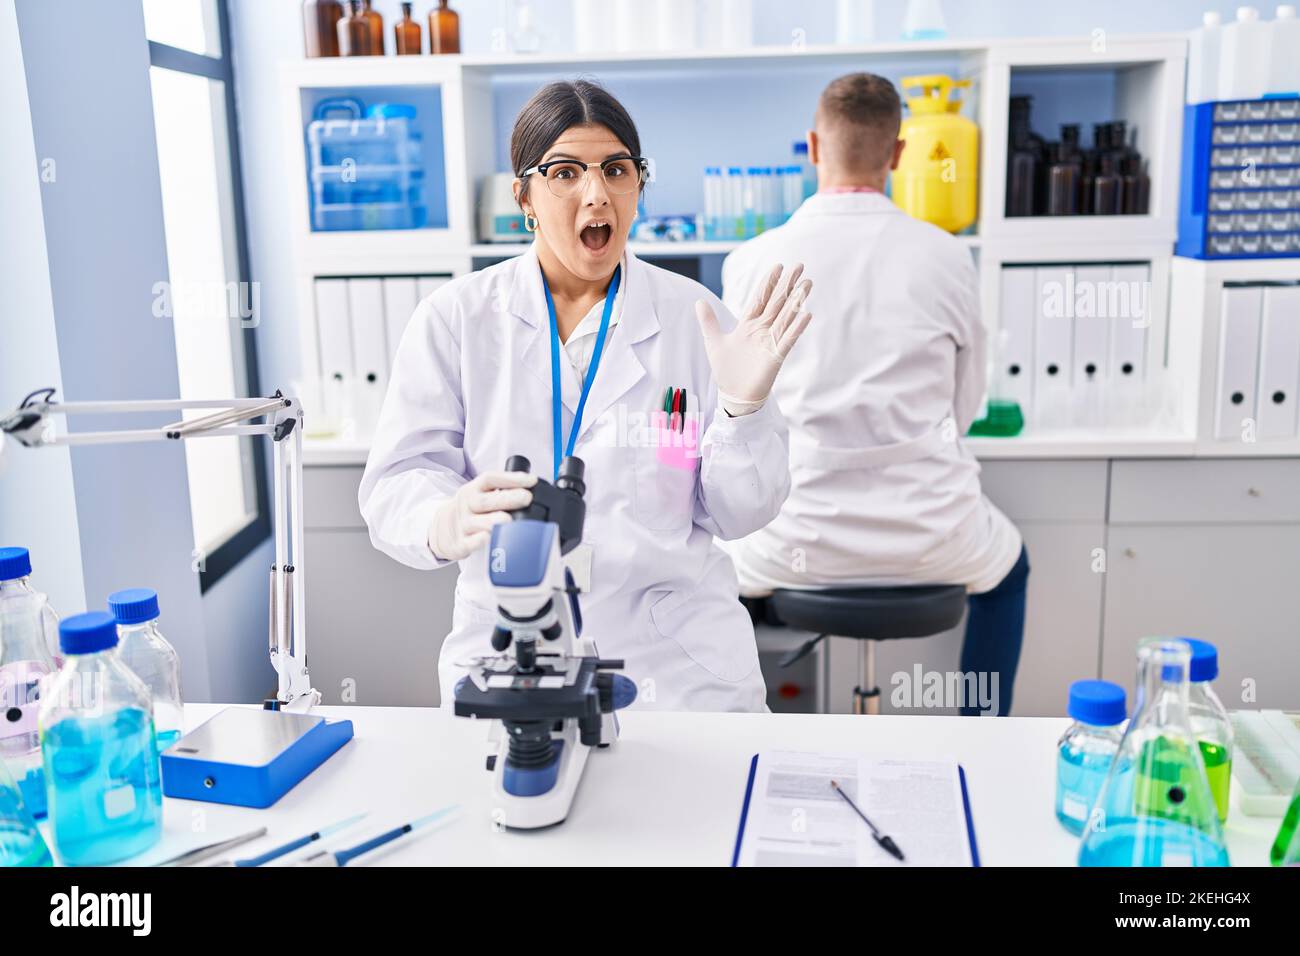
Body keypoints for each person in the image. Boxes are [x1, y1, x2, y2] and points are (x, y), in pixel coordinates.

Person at [359, 80, 814, 712]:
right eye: (566, 172)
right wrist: (445, 516)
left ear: (637, 187)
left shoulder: (696, 318)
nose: (596, 193)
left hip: (677, 669)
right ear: (525, 196)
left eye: (617, 170)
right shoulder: (456, 319)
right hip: (512, 651)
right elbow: (396, 483)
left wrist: (743, 409)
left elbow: (736, 514)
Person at [721, 73, 1028, 716]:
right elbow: (962, 411)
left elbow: (739, 412)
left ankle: (741, 730)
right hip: (931, 534)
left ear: (812, 146)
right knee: (1008, 570)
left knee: (712, 569)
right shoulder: (947, 257)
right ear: (898, 154)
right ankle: (982, 731)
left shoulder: (753, 260)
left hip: (794, 537)